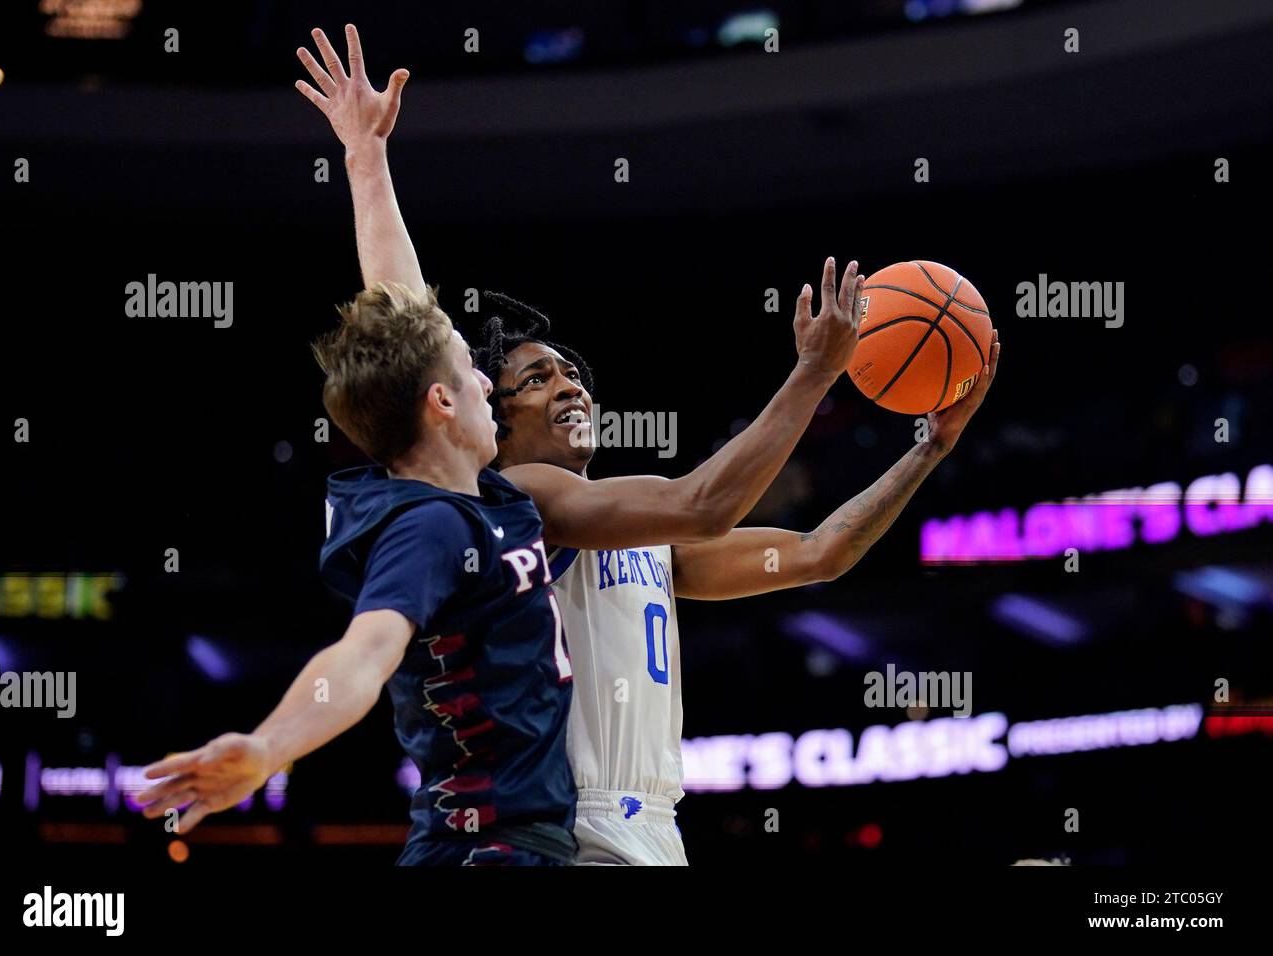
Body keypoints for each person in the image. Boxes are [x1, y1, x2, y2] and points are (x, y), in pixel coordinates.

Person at [296, 23, 999, 864]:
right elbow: (703, 503)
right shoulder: (520, 501)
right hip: (567, 826)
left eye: (572, 372)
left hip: (657, 826)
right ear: (491, 415)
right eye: (536, 379)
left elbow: (817, 554)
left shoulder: (638, 525)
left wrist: (928, 448)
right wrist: (812, 374)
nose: (569, 385)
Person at [138, 281, 579, 866]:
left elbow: (399, 291)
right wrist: (270, 746)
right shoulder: (430, 526)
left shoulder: (479, 497)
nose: (485, 384)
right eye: (471, 368)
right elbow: (364, 653)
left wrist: (370, 181)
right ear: (442, 401)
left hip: (509, 841)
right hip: (482, 847)